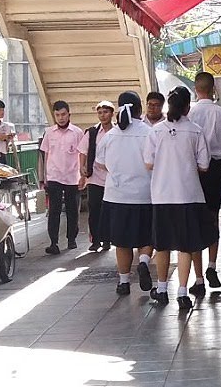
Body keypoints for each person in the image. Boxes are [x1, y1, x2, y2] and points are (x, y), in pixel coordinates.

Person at [145, 88, 213, 311]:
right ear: (187, 108)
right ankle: (183, 293)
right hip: (189, 195)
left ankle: (162, 288)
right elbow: (204, 165)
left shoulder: (155, 131)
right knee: (185, 246)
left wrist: (166, 163)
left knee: (162, 245)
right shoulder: (196, 131)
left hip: (162, 195)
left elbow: (148, 163)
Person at [94, 92, 155, 296]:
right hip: (145, 194)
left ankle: (123, 282)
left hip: (116, 195)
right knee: (147, 235)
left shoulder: (110, 135)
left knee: (122, 241)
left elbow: (100, 163)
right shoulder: (149, 133)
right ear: (140, 109)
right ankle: (144, 261)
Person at [186, 72, 221, 294]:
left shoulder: (188, 115)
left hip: (192, 171)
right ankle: (212, 266)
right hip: (215, 168)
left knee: (195, 220)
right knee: (212, 217)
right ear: (213, 88)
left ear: (196, 89)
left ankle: (198, 279)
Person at [39, 100, 85, 254]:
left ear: (69, 114)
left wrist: (82, 176)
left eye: (63, 114)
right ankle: (53, 242)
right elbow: (45, 154)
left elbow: (82, 154)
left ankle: (71, 239)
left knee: (73, 210)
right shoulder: (49, 132)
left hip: (72, 176)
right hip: (54, 176)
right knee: (54, 210)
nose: (61, 118)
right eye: (57, 115)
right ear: (54, 116)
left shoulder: (77, 133)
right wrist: (43, 177)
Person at [83, 100, 116, 251]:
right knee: (94, 208)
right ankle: (95, 240)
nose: (103, 116)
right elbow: (83, 151)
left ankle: (107, 239)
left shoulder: (117, 132)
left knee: (108, 209)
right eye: (100, 112)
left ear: (112, 113)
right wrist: (82, 169)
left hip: (111, 176)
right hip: (95, 176)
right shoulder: (92, 132)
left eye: (106, 112)